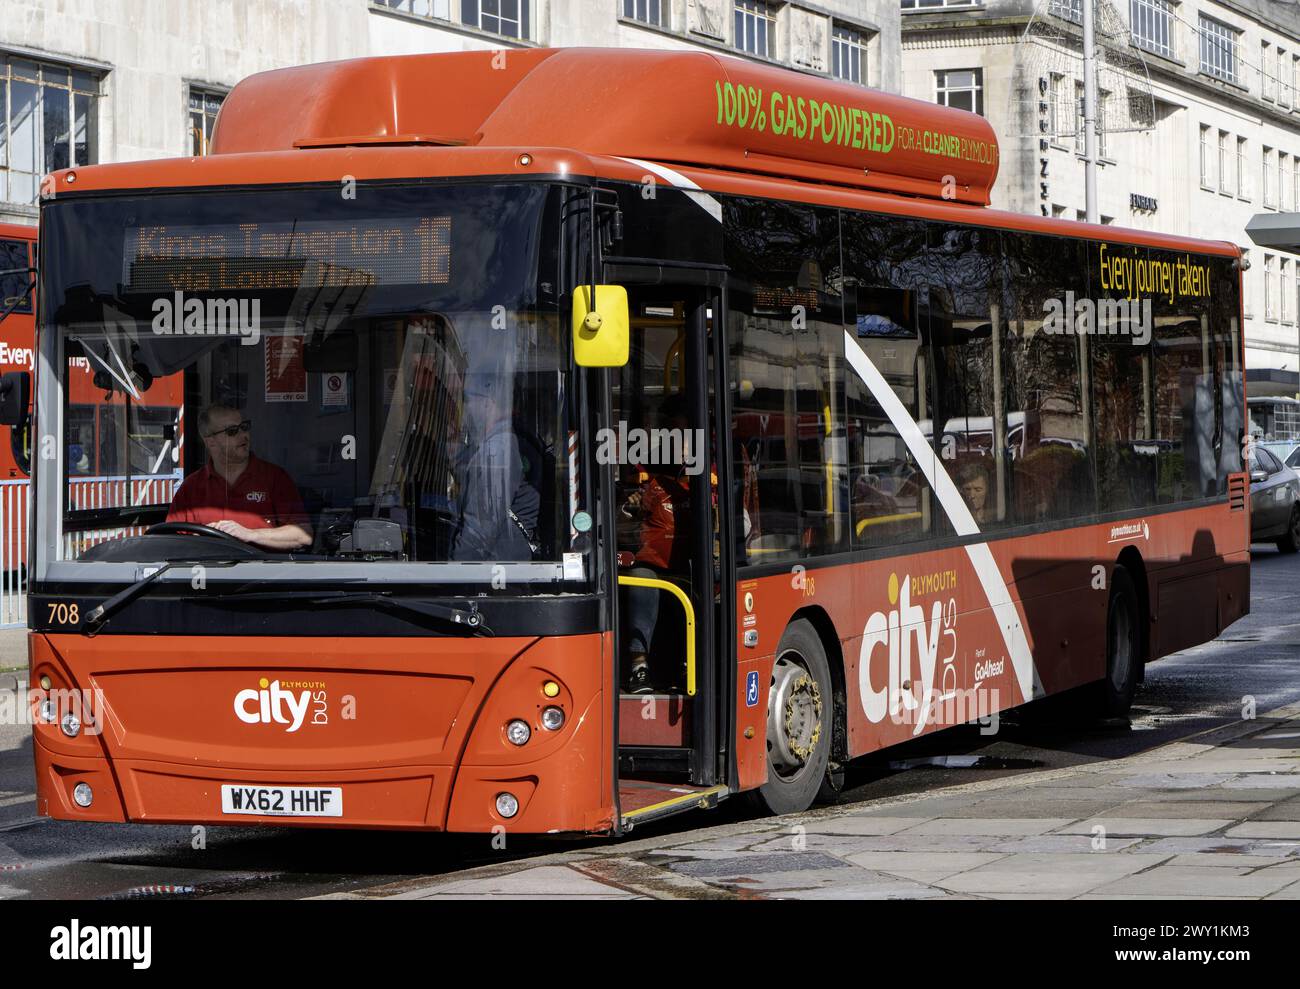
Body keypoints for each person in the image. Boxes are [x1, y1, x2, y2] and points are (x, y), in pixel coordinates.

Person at [166, 403, 312, 550]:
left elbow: (303, 536)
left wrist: (250, 534)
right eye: (232, 431)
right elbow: (170, 542)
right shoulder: (191, 487)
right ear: (211, 442)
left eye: (244, 427)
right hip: (207, 572)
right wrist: (202, 540)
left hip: (264, 571)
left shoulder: (275, 478)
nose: (243, 435)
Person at [449, 372, 541, 561]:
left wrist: (456, 570)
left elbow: (481, 527)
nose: (466, 408)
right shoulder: (502, 442)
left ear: (486, 402)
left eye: (468, 400)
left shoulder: (499, 448)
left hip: (497, 568)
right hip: (503, 563)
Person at [957, 460, 993, 526]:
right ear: (961, 490)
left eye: (978, 490)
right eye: (967, 489)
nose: (972, 495)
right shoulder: (955, 519)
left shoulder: (995, 517)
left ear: (987, 489)